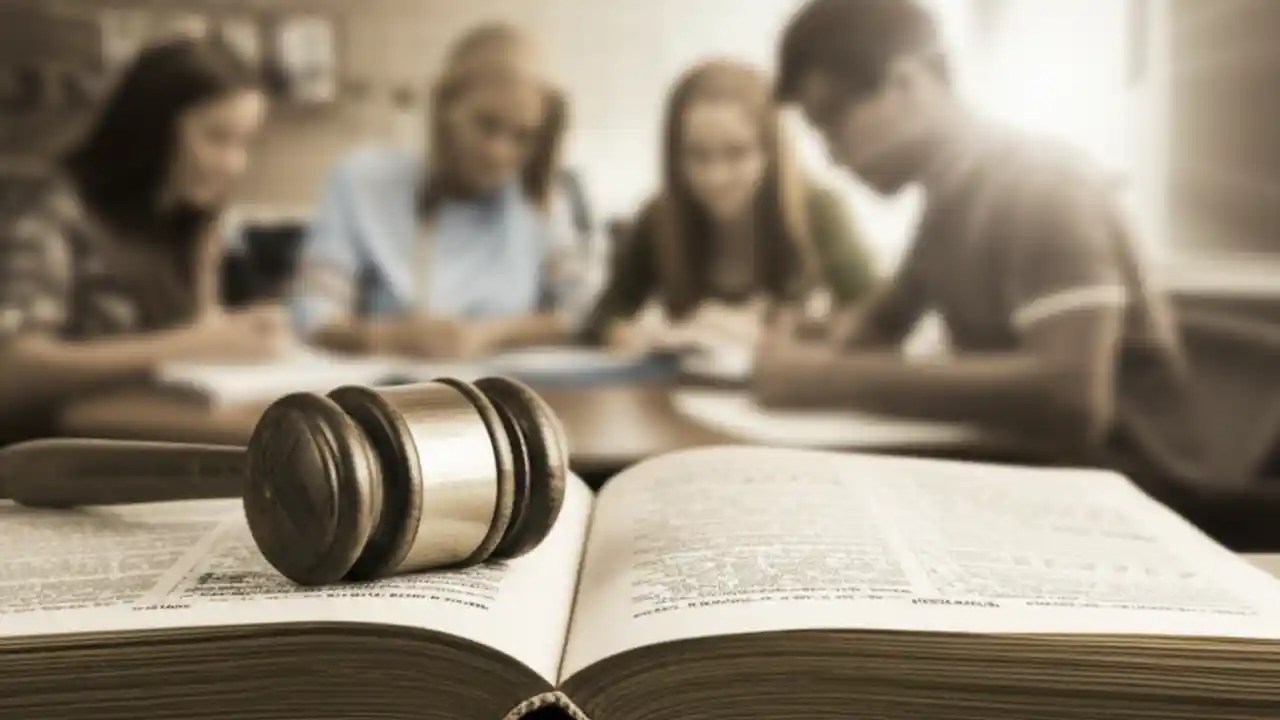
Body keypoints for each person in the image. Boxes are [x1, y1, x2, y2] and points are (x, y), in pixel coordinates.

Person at [756, 0, 1206, 502]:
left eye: (832, 123)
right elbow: (876, 328)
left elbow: (1073, 395)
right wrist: (807, 336)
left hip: (1139, 494)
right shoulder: (946, 204)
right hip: (1043, 480)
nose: (833, 157)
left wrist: (825, 380)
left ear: (908, 83)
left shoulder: (1042, 182)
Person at [0, 38, 285, 444]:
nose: (234, 164)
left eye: (244, 143)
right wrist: (191, 345)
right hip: (42, 464)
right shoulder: (52, 210)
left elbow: (200, 332)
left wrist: (239, 334)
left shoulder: (193, 219)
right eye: (217, 138)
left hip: (151, 440)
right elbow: (11, 372)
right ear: (152, 129)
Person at [294, 24, 600, 358]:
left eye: (523, 137)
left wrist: (487, 335)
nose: (499, 152)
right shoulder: (359, 181)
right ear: (444, 110)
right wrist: (392, 338)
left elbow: (586, 311)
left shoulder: (541, 201)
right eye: (486, 125)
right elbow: (315, 317)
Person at [587, 59, 876, 352]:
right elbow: (603, 317)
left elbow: (875, 316)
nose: (716, 177)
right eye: (697, 155)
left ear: (769, 154)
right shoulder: (659, 216)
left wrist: (792, 335)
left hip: (785, 387)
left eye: (736, 153)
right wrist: (630, 336)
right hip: (686, 390)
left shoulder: (819, 209)